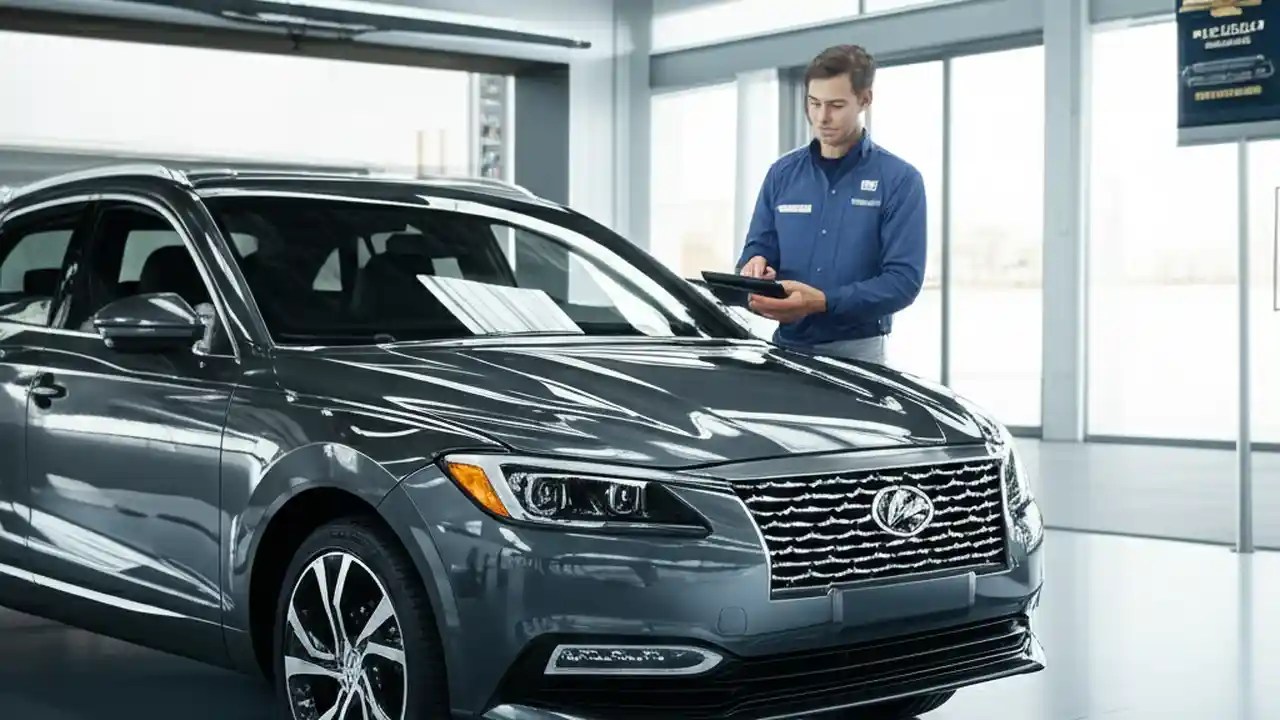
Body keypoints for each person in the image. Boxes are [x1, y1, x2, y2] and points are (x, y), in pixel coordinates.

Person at [737, 44, 927, 365]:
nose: (822, 117)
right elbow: (757, 249)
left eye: (836, 105)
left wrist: (823, 301)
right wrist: (754, 267)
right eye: (814, 103)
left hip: (859, 354)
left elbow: (903, 282)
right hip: (784, 349)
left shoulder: (900, 180)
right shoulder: (781, 175)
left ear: (865, 100)